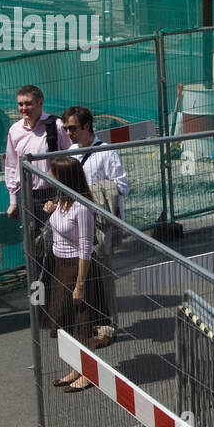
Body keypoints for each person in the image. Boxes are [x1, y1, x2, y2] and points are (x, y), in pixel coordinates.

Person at [62, 106, 130, 347]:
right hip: (77, 223)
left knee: (103, 275)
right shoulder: (69, 152)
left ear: (87, 126)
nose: (69, 133)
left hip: (99, 224)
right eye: (66, 128)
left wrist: (96, 195)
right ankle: (88, 321)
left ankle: (107, 326)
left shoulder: (106, 153)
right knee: (82, 275)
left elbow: (122, 185)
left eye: (73, 128)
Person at [46, 157, 98, 388]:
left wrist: (80, 284)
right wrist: (52, 211)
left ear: (65, 179)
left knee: (82, 322)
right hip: (59, 264)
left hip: (75, 268)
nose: (49, 176)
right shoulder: (61, 201)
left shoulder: (81, 208)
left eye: (54, 174)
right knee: (64, 319)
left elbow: (85, 248)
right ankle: (76, 367)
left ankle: (89, 373)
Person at [5, 85, 72, 224]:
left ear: (40, 103)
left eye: (28, 103)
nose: (24, 108)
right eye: (20, 104)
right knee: (33, 241)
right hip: (25, 196)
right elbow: (11, 165)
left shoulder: (56, 126)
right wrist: (13, 201)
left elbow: (71, 158)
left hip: (53, 194)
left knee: (53, 239)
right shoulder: (14, 130)